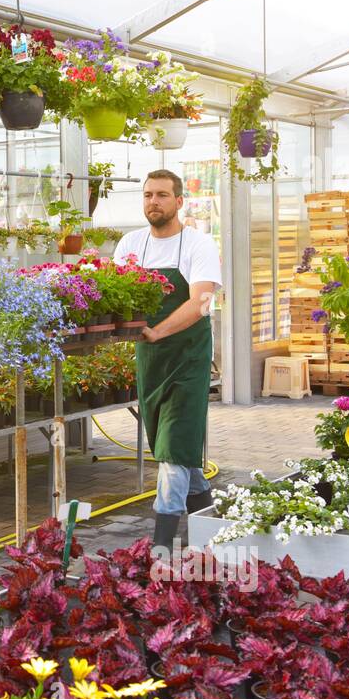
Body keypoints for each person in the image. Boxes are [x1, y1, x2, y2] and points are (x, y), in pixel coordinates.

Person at [112, 168, 222, 551]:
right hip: (150, 361)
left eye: (161, 195)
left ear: (178, 201)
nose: (153, 202)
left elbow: (201, 302)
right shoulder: (130, 243)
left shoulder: (197, 245)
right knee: (174, 450)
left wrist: (158, 331)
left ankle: (161, 546)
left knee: (173, 448)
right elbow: (117, 297)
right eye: (147, 195)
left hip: (187, 359)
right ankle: (213, 532)